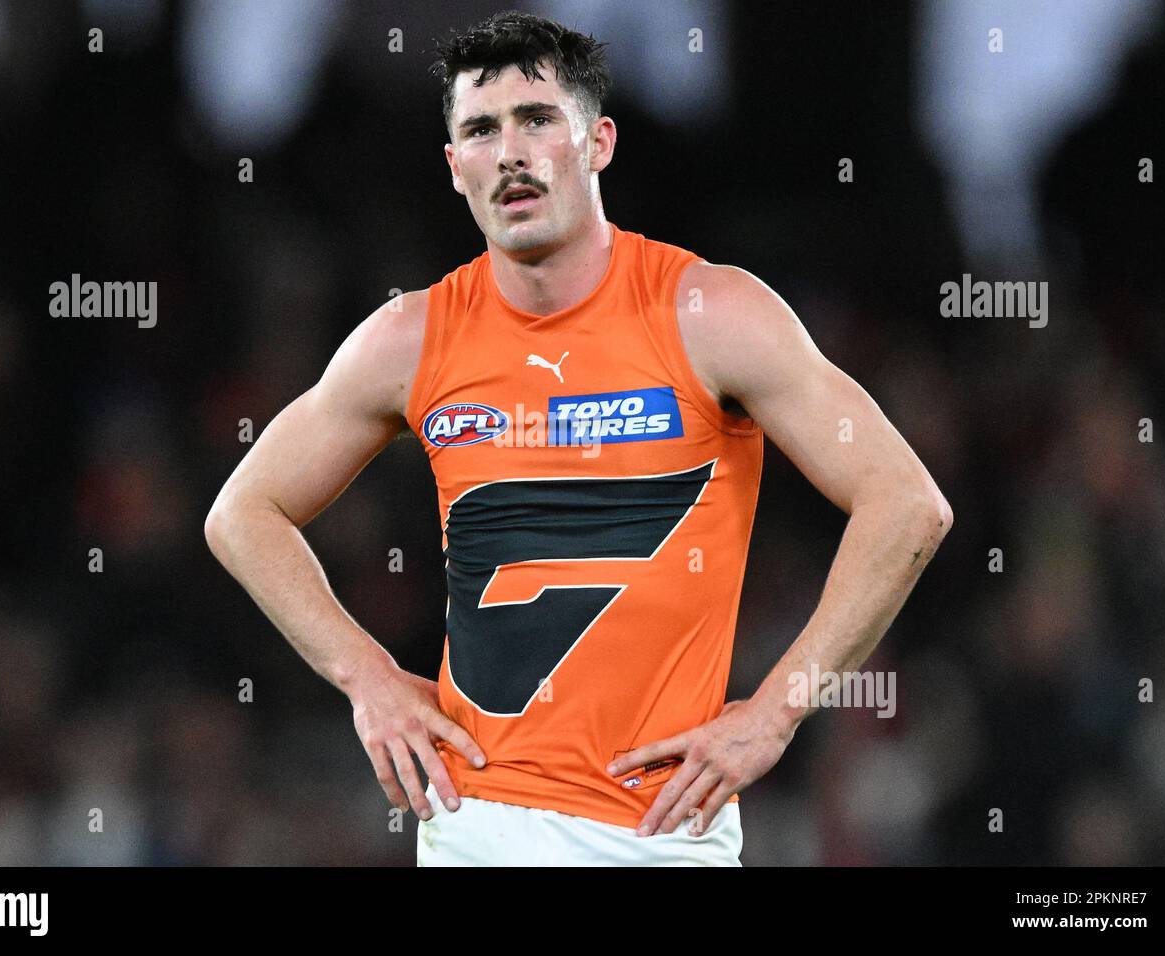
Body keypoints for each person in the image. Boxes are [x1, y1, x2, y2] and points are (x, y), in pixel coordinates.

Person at [204, 10, 952, 866]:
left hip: (662, 837)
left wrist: (777, 711)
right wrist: (364, 678)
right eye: (481, 130)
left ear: (597, 142)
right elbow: (243, 513)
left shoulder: (710, 315)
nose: (512, 152)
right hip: (473, 827)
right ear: (455, 168)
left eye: (537, 120)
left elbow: (906, 504)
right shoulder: (410, 340)